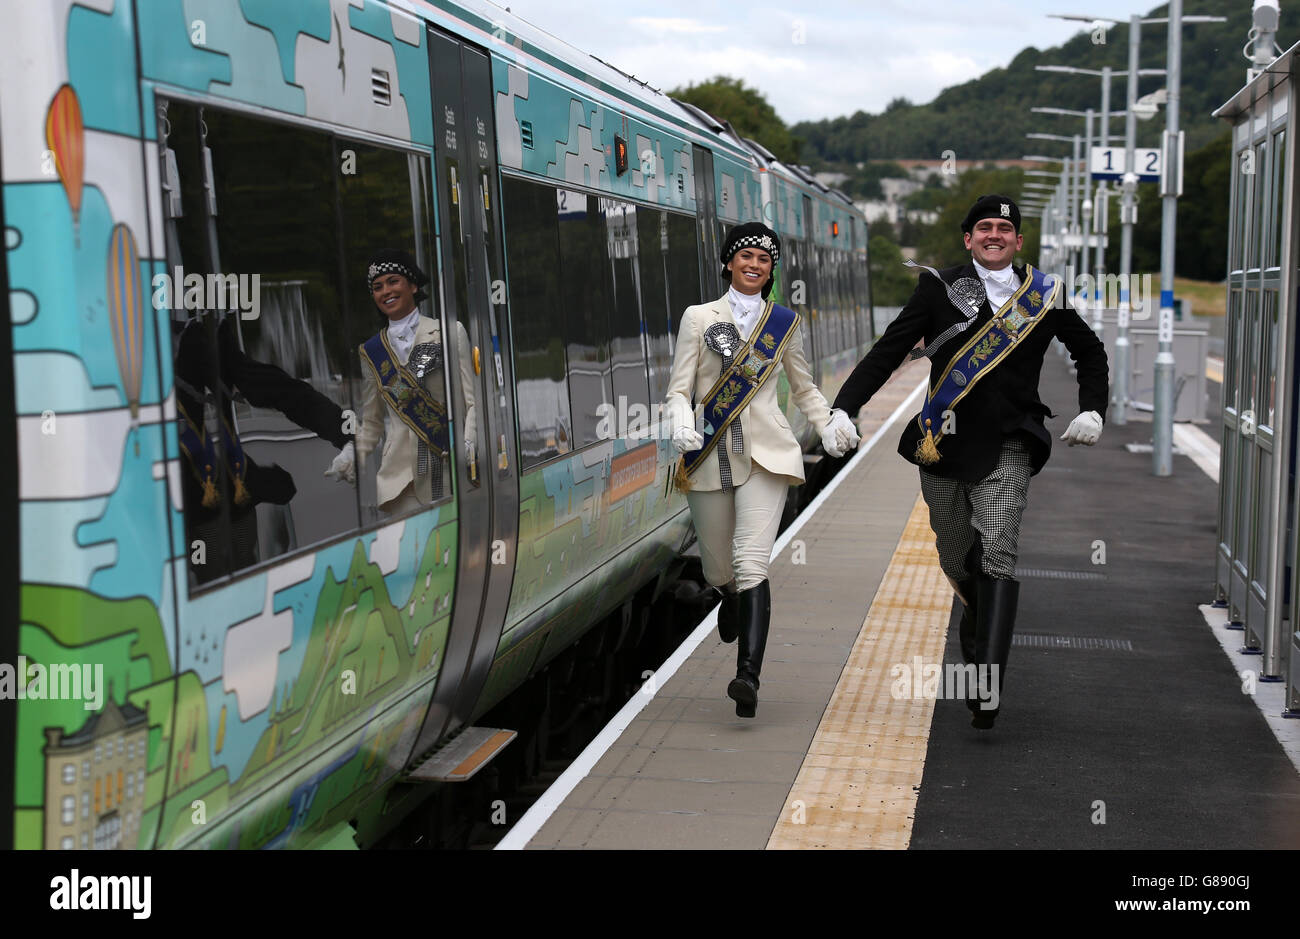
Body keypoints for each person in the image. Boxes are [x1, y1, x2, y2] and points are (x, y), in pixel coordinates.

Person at [832, 194, 1108, 729]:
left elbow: (1090, 351)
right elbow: (890, 349)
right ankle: (979, 622)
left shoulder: (1045, 295)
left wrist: (1093, 409)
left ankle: (987, 686)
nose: (994, 235)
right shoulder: (937, 287)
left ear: (1019, 240)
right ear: (968, 238)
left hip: (1010, 443)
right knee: (957, 559)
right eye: (984, 227)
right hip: (943, 445)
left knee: (999, 552)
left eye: (1005, 228)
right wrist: (845, 408)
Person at [666, 222, 860, 718]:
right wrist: (680, 421)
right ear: (730, 262)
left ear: (771, 270)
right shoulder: (698, 317)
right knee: (718, 569)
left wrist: (830, 421)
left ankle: (747, 674)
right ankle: (727, 597)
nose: (754, 265)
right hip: (708, 455)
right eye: (746, 256)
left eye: (764, 259)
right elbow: (678, 388)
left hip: (769, 457)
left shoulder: (784, 324)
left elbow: (803, 387)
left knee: (753, 563)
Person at [326, 250, 460, 516]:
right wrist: (353, 453)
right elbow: (373, 422)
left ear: (412, 285)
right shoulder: (372, 352)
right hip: (400, 482)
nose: (385, 291)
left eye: (393, 281)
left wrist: (470, 442)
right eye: (377, 287)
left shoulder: (448, 333)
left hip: (448, 467)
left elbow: (470, 402)